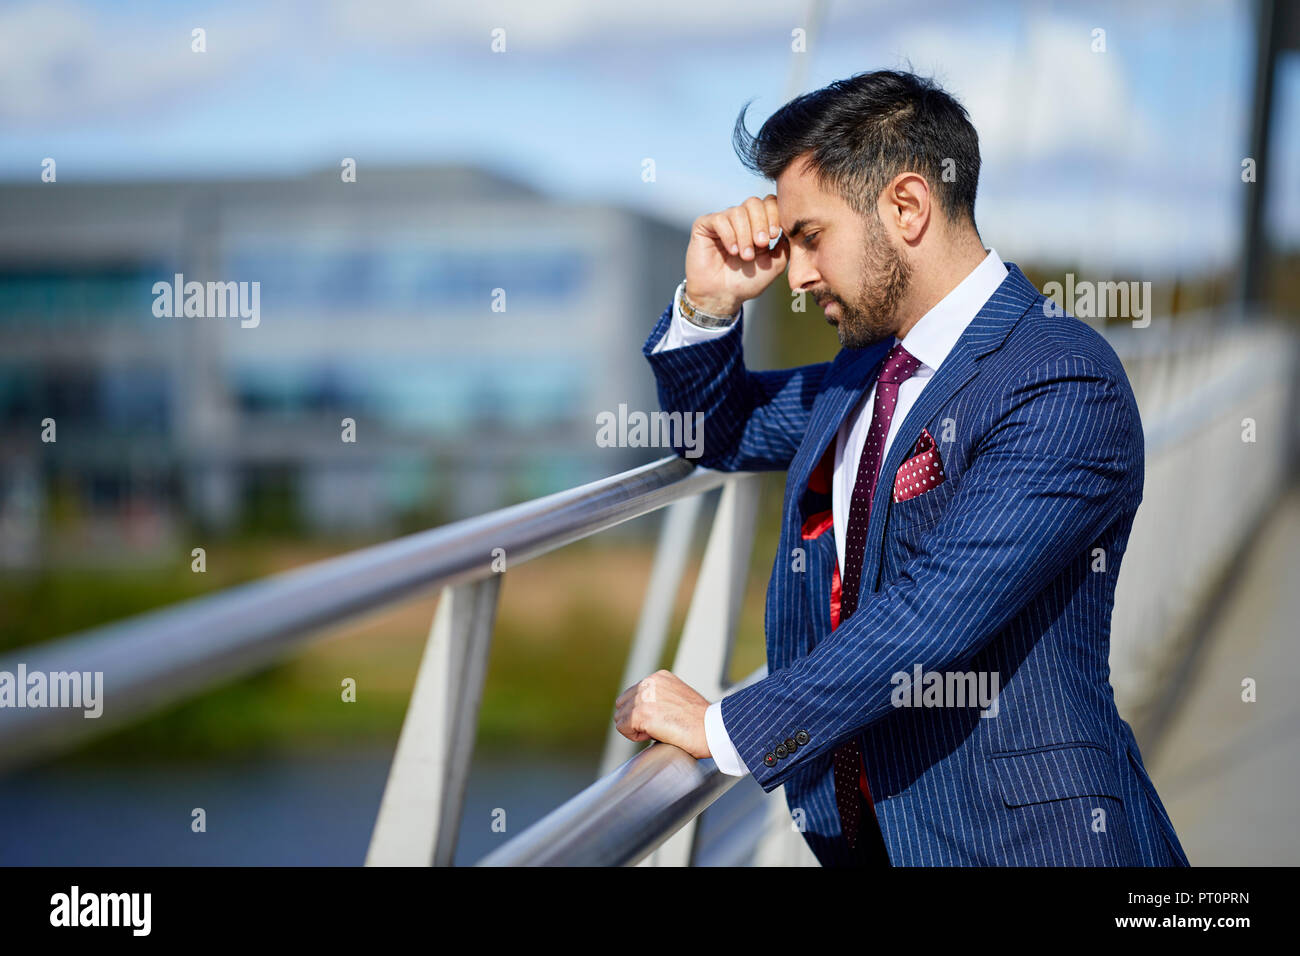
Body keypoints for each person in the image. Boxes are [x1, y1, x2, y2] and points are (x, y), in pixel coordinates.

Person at [612, 69, 1189, 867]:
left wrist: (721, 728)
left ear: (907, 207)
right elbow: (717, 432)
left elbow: (936, 611)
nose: (799, 275)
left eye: (811, 236)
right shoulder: (864, 372)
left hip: (1023, 844)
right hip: (866, 837)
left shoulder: (1062, 380)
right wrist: (709, 305)